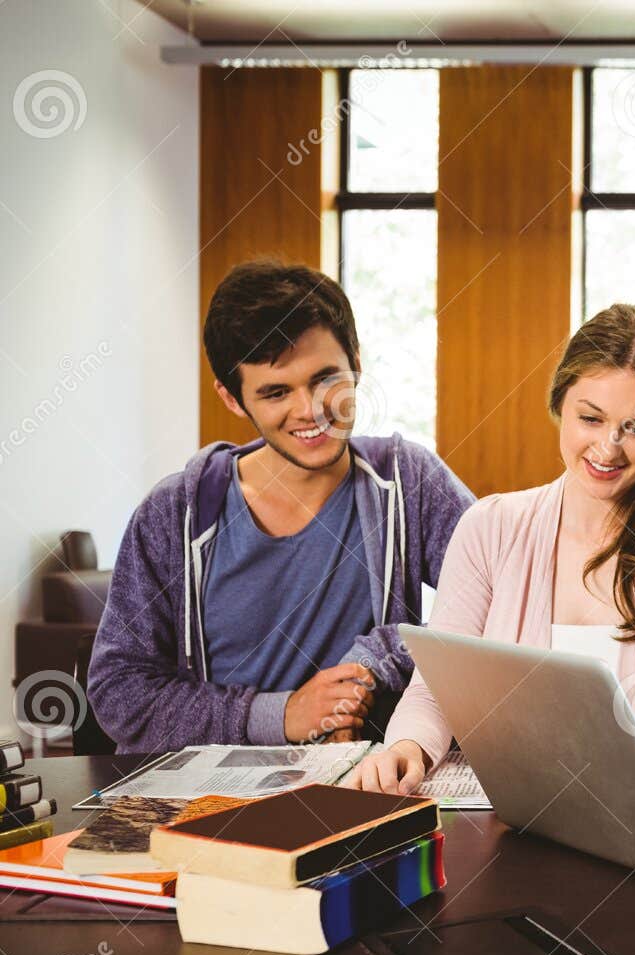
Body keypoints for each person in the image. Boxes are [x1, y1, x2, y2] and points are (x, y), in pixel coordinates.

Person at [350, 304, 635, 794]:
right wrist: (407, 747)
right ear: (561, 404)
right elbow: (436, 689)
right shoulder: (489, 526)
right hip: (510, 813)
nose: (607, 448)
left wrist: (569, 759)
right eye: (591, 419)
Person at [89, 260, 474, 753]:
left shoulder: (409, 482)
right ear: (232, 399)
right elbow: (119, 691)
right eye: (276, 392)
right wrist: (281, 715)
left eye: (324, 378)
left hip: (363, 786)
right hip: (212, 800)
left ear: (356, 360)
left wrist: (379, 661)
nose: (310, 410)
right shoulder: (172, 514)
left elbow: (501, 609)